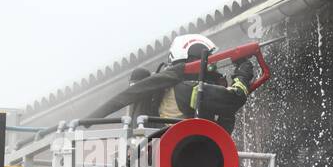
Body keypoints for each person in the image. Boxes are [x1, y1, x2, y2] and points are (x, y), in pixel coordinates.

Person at [89, 33, 257, 131]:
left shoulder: (169, 89)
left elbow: (221, 128)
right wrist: (242, 73)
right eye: (209, 62)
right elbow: (234, 98)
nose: (213, 68)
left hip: (184, 161)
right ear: (195, 60)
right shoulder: (187, 90)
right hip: (187, 163)